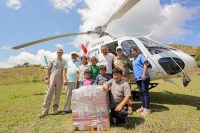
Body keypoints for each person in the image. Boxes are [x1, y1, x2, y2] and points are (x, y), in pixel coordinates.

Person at [40, 48, 66, 118]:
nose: (59, 53)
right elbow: (47, 69)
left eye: (61, 52)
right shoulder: (52, 60)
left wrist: (64, 80)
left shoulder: (64, 61)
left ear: (62, 53)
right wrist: (46, 78)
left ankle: (55, 110)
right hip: (52, 78)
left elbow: (65, 71)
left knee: (57, 95)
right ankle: (44, 111)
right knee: (48, 94)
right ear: (56, 53)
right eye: (58, 52)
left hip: (59, 79)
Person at [131, 46, 151, 116]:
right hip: (138, 78)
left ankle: (147, 109)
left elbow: (146, 64)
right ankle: (143, 106)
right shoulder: (134, 59)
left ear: (137, 51)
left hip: (144, 77)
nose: (132, 52)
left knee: (145, 92)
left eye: (134, 51)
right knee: (141, 92)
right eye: (131, 52)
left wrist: (144, 74)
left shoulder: (140, 56)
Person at [113, 45, 133, 115]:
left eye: (120, 50)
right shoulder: (114, 59)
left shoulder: (126, 58)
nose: (119, 51)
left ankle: (130, 107)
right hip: (118, 79)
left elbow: (131, 66)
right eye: (118, 50)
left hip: (126, 78)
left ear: (122, 50)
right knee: (119, 93)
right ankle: (123, 105)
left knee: (128, 93)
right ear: (116, 51)